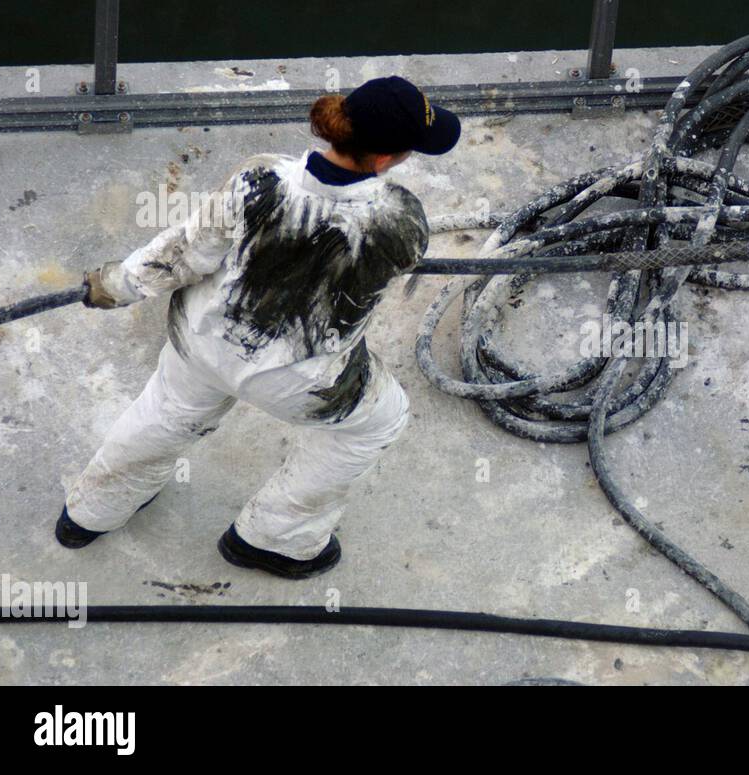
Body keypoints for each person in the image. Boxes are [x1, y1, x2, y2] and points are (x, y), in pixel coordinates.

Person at [57, 76, 461, 578]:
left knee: (167, 411)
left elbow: (186, 252)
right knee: (380, 420)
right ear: (385, 160)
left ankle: (92, 511)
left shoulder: (259, 177)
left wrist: (115, 285)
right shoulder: (401, 221)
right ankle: (274, 537)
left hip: (201, 342)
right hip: (301, 383)